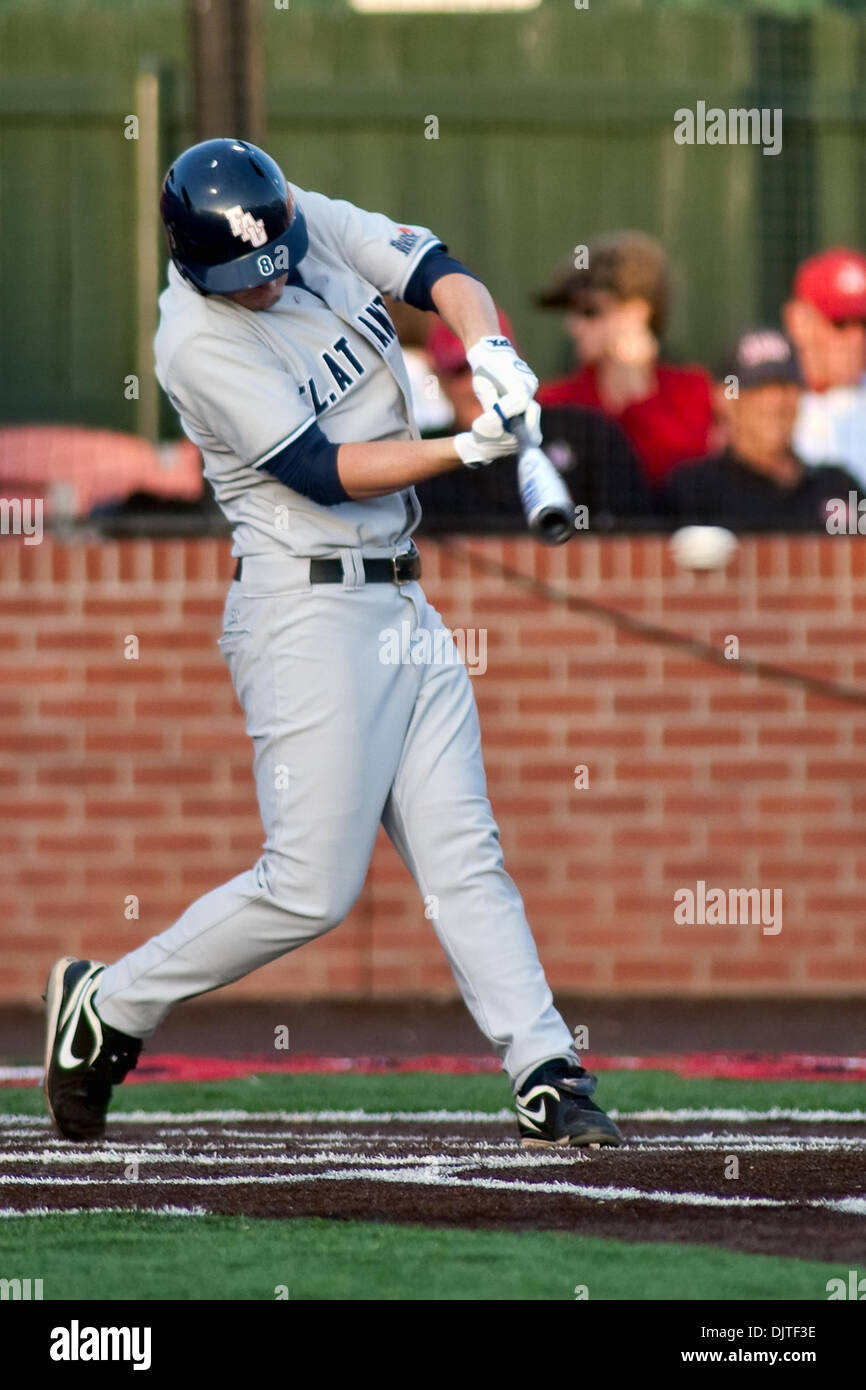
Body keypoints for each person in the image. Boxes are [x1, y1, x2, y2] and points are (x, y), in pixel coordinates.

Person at [42, 138, 622, 1151]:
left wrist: (486, 348)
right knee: (309, 885)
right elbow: (319, 467)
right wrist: (463, 446)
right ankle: (111, 1006)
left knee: (462, 850)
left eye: (276, 261)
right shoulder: (194, 340)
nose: (269, 284)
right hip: (303, 612)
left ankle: (544, 1068)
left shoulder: (290, 216)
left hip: (400, 596)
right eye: (246, 276)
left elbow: (434, 268)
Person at [416, 315, 654, 531]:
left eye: (486, 369)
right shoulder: (423, 459)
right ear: (438, 377)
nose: (477, 384)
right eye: (459, 371)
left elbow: (637, 537)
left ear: (514, 363)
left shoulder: (587, 433)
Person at [534, 231, 714, 487]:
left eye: (590, 311)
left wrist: (637, 392)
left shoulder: (692, 392)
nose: (573, 325)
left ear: (637, 312)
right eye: (571, 310)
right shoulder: (556, 402)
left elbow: (684, 475)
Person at [661, 327, 860, 531]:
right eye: (758, 388)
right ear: (726, 399)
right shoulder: (694, 493)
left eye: (785, 386)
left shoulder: (838, 488)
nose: (775, 402)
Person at [783, 247, 866, 490]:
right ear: (799, 322)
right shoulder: (770, 401)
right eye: (839, 323)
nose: (857, 338)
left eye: (864, 324)